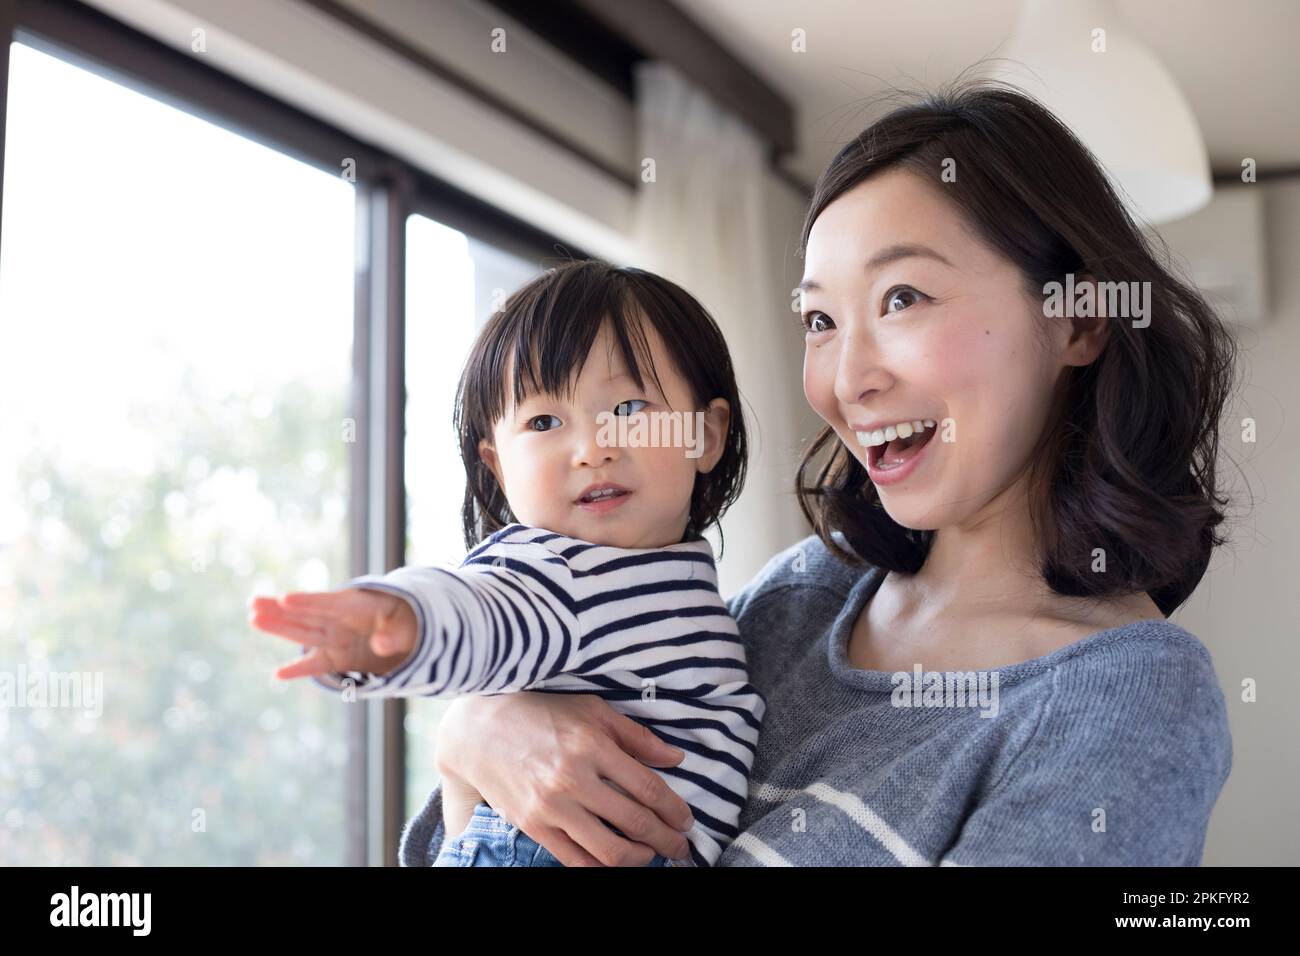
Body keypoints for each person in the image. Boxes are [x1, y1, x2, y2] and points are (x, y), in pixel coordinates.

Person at [402, 82, 1238, 867]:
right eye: (820, 320)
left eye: (903, 298)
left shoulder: (1127, 693)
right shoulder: (802, 596)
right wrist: (476, 728)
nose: (847, 379)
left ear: (1078, 321)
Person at [249, 260, 759, 867]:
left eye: (627, 408)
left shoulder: (679, 583)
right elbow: (489, 611)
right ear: (499, 467)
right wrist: (401, 626)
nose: (593, 448)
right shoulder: (563, 572)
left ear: (705, 434)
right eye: (544, 421)